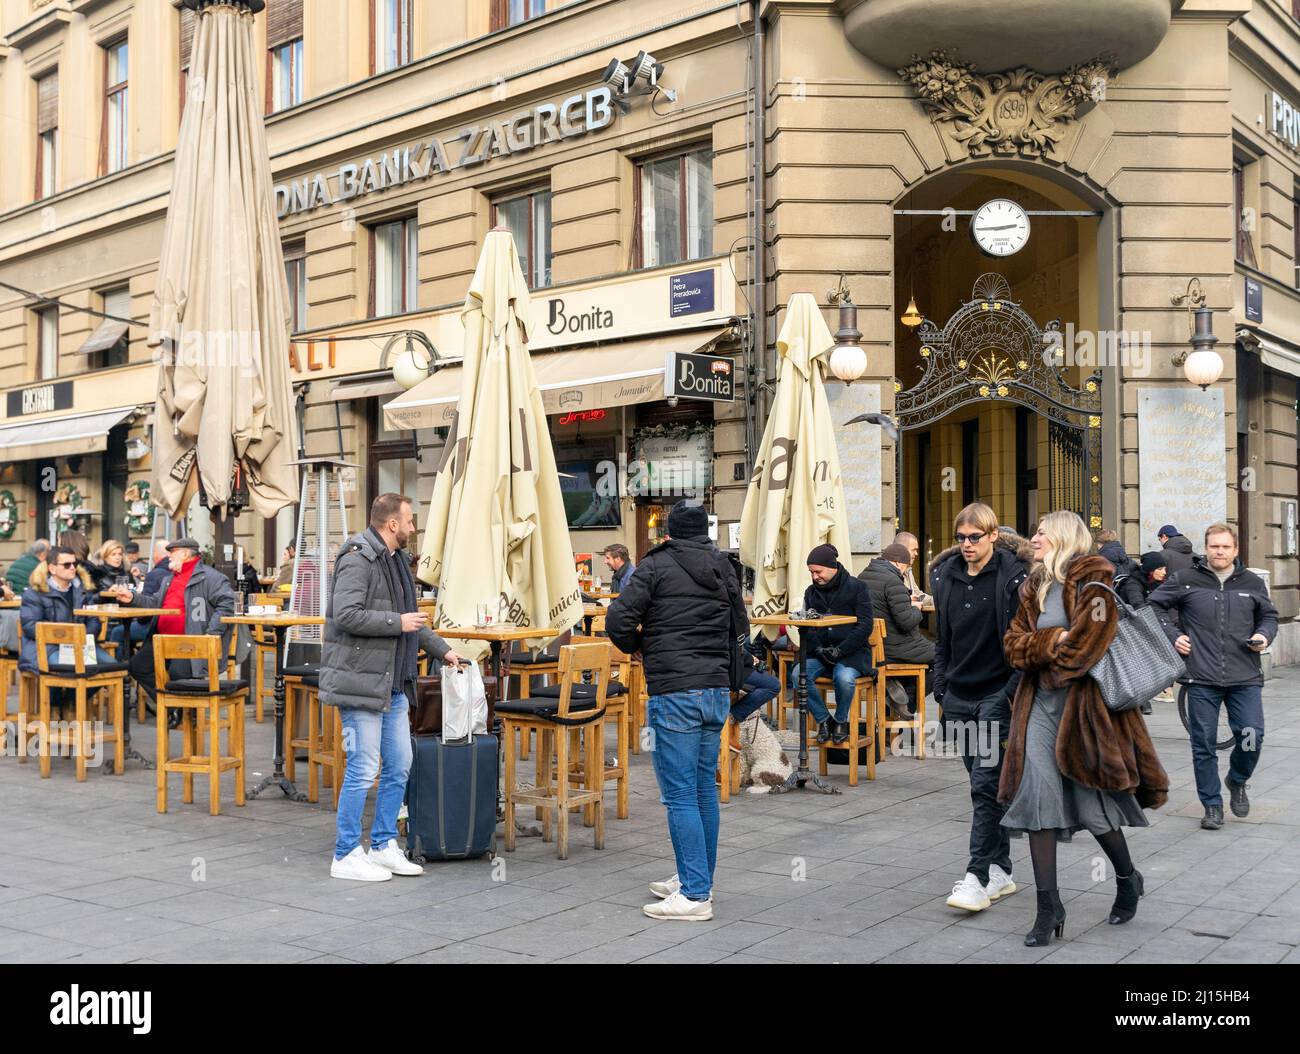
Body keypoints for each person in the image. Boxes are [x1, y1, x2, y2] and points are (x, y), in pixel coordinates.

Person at [1000, 511, 1170, 946]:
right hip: (1038, 706)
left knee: (1095, 810)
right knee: (1036, 801)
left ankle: (1128, 878)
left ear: (1060, 537)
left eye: (1040, 531)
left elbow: (1085, 649)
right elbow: (1012, 646)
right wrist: (1051, 640)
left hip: (1085, 710)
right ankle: (1048, 908)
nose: (1033, 537)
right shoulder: (1034, 585)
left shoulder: (1096, 582)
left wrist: (1048, 645)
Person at [606, 499, 747, 922]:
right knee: (704, 789)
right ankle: (697, 875)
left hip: (675, 690)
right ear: (705, 531)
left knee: (681, 794)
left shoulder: (654, 566)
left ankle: (695, 894)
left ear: (669, 532)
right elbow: (741, 628)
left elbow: (617, 621)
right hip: (716, 690)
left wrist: (643, 648)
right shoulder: (725, 567)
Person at [320, 494, 462, 883]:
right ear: (392, 525)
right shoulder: (357, 557)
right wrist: (394, 622)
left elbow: (411, 620)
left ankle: (382, 845)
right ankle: (346, 853)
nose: (414, 528)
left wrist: (444, 651)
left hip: (395, 684)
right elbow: (346, 615)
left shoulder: (397, 560)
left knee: (399, 766)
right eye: (410, 521)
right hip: (361, 682)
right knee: (363, 768)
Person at [929, 502, 1032, 913]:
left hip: (995, 694)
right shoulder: (947, 576)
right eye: (961, 538)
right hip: (958, 694)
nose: (967, 545)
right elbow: (943, 640)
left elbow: (1022, 639)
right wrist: (940, 686)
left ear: (992, 536)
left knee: (984, 786)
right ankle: (1002, 869)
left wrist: (1008, 692)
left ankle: (975, 876)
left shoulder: (1014, 578)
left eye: (975, 537)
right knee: (983, 786)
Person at [1148, 523, 1277, 831]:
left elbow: (1269, 616)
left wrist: (1263, 635)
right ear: (1206, 548)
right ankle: (1212, 805)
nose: (1220, 551)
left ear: (1235, 550)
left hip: (1244, 675)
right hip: (1200, 677)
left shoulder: (1251, 583)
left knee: (1251, 736)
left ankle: (1237, 779)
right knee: (1202, 743)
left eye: (1225, 547)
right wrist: (1173, 636)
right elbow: (1154, 606)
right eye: (1214, 546)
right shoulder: (1185, 579)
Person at [117, 538, 237, 704]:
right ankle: (171, 706)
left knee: (178, 673)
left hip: (189, 640)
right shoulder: (169, 578)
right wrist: (132, 598)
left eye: (173, 552)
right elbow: (153, 603)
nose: (169, 556)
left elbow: (227, 604)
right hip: (162, 638)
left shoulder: (211, 577)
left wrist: (211, 634)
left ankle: (180, 709)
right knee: (138, 667)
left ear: (185, 554)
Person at [791, 543, 874, 746]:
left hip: (851, 653)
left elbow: (865, 626)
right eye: (811, 572)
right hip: (821, 654)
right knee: (797, 674)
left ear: (832, 567)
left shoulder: (857, 587)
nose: (814, 576)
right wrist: (819, 649)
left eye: (818, 571)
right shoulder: (811, 592)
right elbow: (808, 626)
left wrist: (841, 650)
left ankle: (840, 721)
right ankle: (824, 720)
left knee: (844, 678)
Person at [19, 547, 120, 677]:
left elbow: (94, 621)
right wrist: (68, 637)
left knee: (113, 667)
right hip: (46, 648)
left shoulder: (83, 591)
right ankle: (59, 697)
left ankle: (72, 697)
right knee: (66, 671)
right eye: (67, 565)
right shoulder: (35, 593)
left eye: (75, 563)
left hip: (81, 646)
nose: (73, 567)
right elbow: (30, 627)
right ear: (52, 568)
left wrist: (82, 638)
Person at [860, 542, 934, 717]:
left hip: (872, 650)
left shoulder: (862, 576)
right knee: (946, 658)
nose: (905, 572)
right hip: (897, 648)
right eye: (906, 567)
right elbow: (906, 622)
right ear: (898, 563)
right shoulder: (893, 581)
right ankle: (907, 701)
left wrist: (905, 601)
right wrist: (916, 608)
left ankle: (897, 692)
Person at [1096, 530, 1145, 609]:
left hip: (1108, 608)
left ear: (1099, 544)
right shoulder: (1130, 561)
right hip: (1130, 607)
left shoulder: (1098, 564)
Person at [893, 531, 932, 605]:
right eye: (914, 550)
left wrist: (938, 600)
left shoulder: (908, 570)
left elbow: (918, 596)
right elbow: (899, 604)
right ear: (903, 550)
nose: (916, 553)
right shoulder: (891, 573)